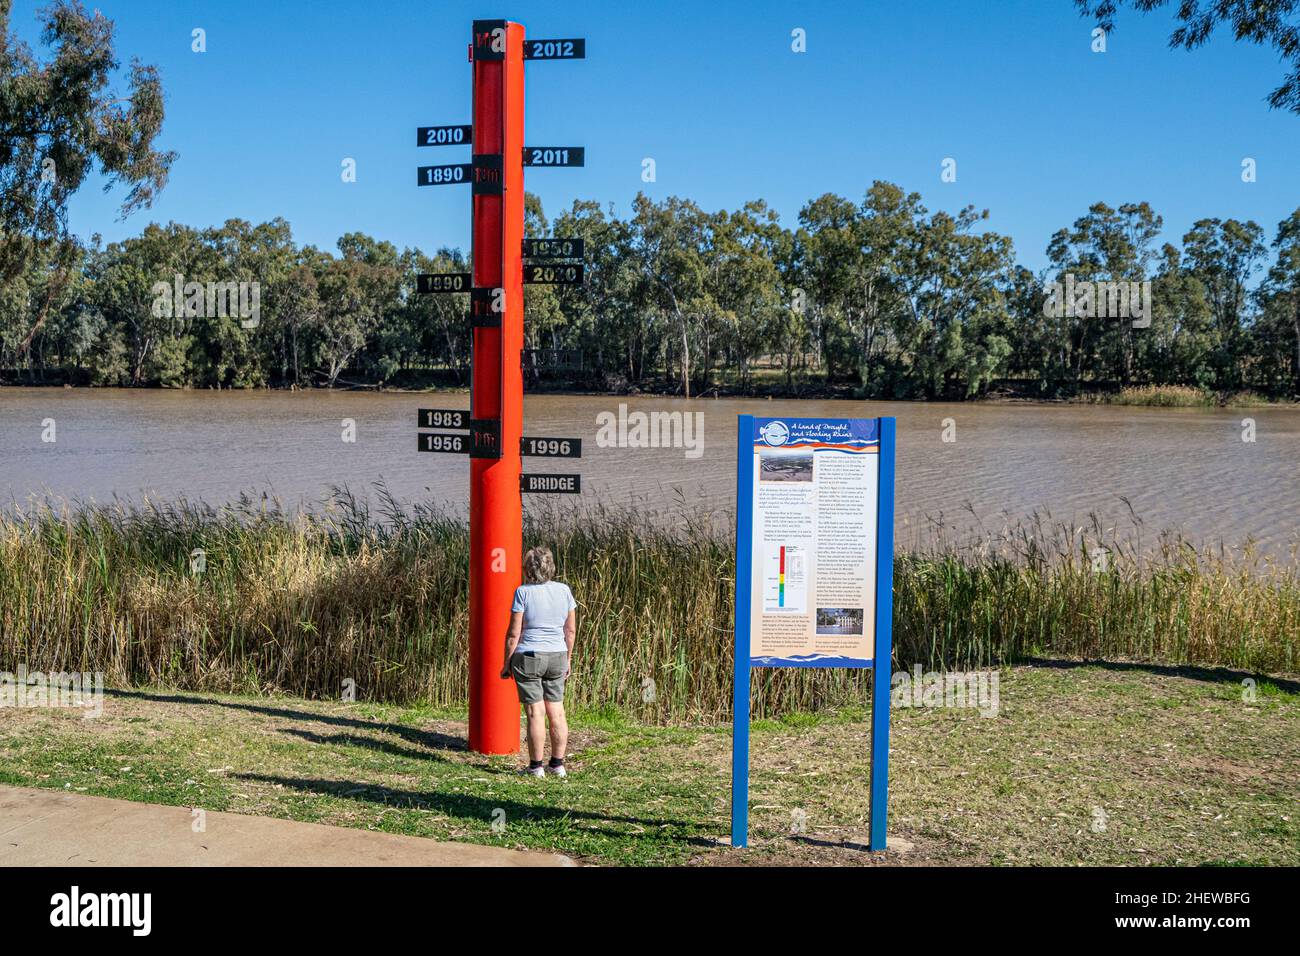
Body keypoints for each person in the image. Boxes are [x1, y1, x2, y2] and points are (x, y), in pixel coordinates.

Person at [500, 546, 576, 777]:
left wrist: (506, 663)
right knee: (557, 711)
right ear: (550, 566)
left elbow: (514, 634)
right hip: (558, 655)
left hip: (530, 655)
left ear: (527, 568)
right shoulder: (564, 591)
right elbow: (570, 630)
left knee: (535, 713)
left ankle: (536, 767)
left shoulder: (523, 592)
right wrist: (568, 658)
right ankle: (558, 764)